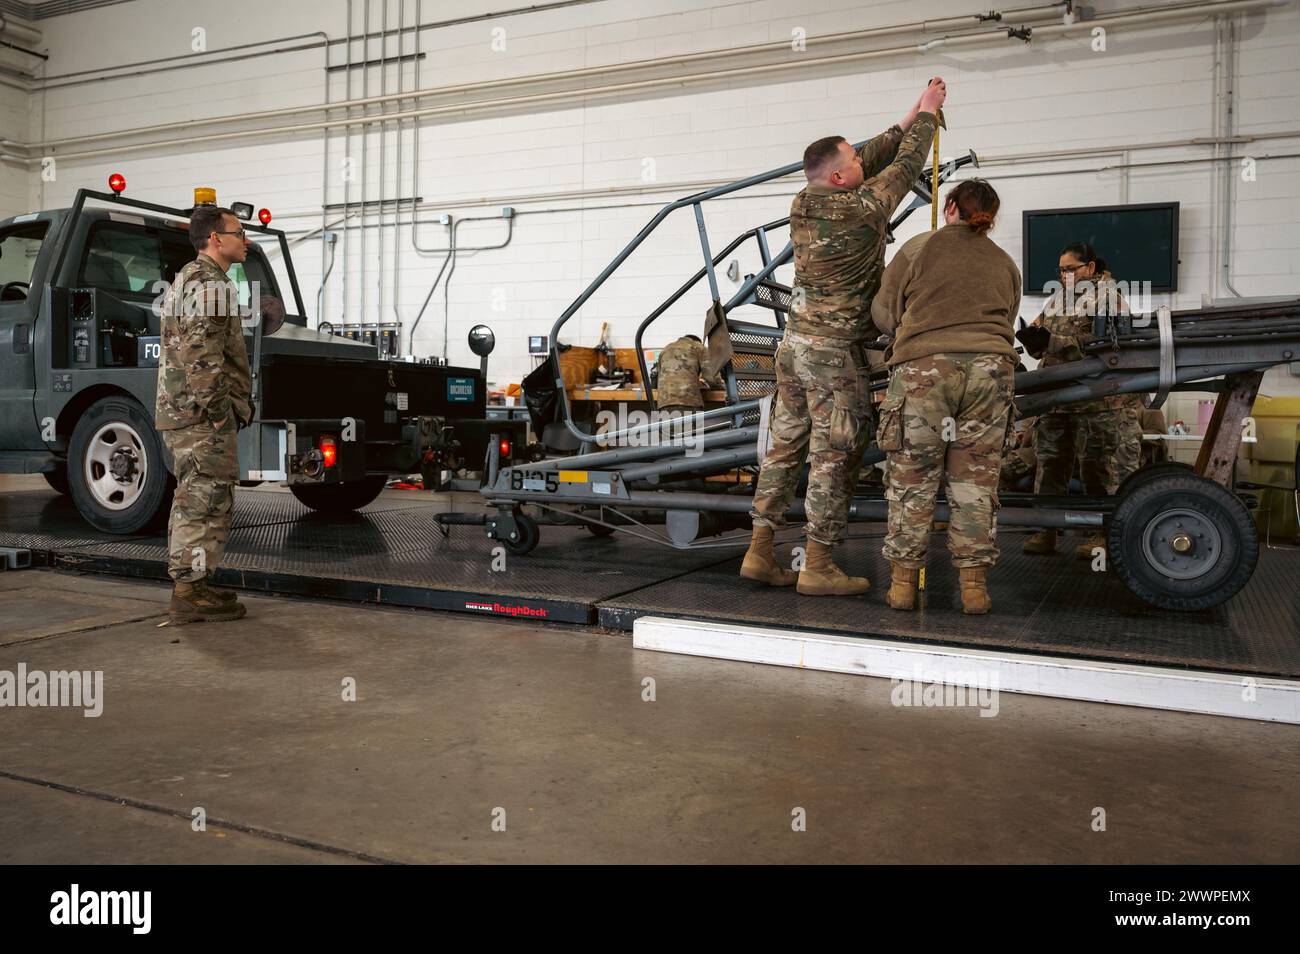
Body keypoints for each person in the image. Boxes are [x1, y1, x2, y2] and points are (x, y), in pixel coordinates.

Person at [741, 77, 947, 595]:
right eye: (852, 163)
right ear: (839, 178)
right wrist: (927, 118)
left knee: (784, 449)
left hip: (794, 349)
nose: (861, 162)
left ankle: (759, 552)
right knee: (835, 454)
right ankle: (817, 565)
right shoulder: (863, 210)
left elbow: (875, 156)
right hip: (834, 357)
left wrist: (908, 114)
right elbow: (904, 166)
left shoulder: (802, 202)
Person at [873, 179, 1020, 614]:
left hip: (925, 370)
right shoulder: (1005, 262)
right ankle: (974, 589)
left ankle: (902, 588)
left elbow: (883, 312)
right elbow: (1008, 318)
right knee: (975, 483)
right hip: (991, 372)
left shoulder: (920, 247)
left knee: (912, 478)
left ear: (949, 206)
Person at [155, 204, 254, 624]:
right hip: (200, 416)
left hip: (188, 413)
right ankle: (190, 592)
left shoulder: (190, 278)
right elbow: (200, 352)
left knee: (201, 495)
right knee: (203, 498)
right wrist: (217, 411)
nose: (245, 240)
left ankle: (196, 584)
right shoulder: (210, 285)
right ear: (216, 238)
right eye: (238, 232)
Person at [1021, 242, 1137, 558]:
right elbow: (1043, 342)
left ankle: (1101, 536)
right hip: (1057, 399)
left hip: (1096, 402)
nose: (1064, 275)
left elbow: (1106, 350)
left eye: (1070, 269)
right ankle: (1046, 531)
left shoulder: (1110, 299)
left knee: (1098, 469)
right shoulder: (1056, 301)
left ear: (1090, 268)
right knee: (1050, 466)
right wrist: (1033, 341)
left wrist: (1054, 342)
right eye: (1060, 269)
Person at [655, 334, 723, 414]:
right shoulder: (698, 347)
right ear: (698, 342)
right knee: (691, 426)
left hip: (664, 403)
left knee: (668, 427)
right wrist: (723, 386)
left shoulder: (666, 349)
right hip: (688, 401)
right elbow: (712, 378)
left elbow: (660, 377)